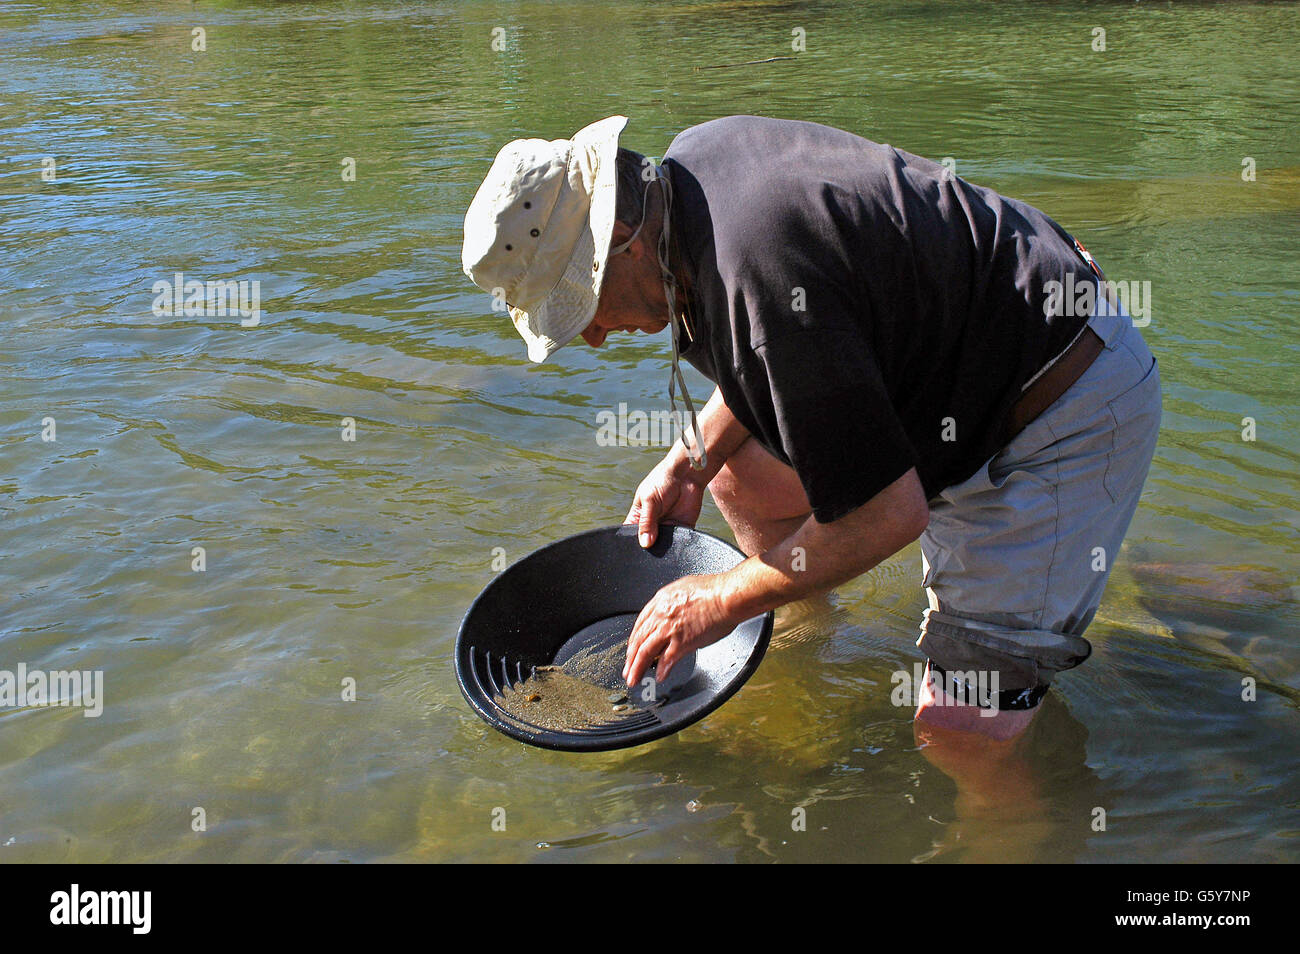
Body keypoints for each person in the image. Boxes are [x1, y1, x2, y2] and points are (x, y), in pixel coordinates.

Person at [460, 115, 1161, 742]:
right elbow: (796, 350)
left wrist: (721, 595)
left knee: (960, 732)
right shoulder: (692, 176)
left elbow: (891, 516)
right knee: (739, 469)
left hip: (1056, 408)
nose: (593, 337)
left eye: (579, 302)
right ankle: (807, 655)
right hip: (959, 376)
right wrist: (691, 458)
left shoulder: (759, 277)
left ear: (621, 240)